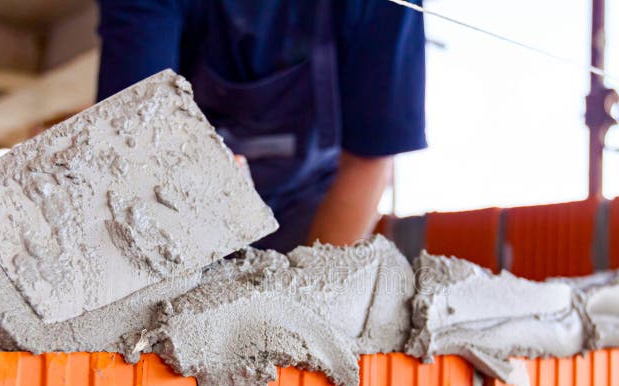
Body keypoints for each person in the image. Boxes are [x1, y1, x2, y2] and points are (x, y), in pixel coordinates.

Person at [96, 0, 426, 252]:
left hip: (316, 208)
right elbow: (132, 139)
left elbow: (368, 160)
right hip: (183, 199)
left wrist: (308, 304)